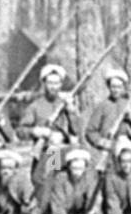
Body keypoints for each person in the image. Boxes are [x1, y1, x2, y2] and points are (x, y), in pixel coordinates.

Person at [20, 63, 84, 206]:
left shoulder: (65, 104)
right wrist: (39, 132)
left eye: (57, 83)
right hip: (47, 153)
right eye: (50, 83)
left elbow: (77, 130)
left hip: (66, 152)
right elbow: (21, 131)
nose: (53, 87)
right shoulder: (35, 106)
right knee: (47, 183)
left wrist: (71, 110)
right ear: (44, 83)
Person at [45, 146, 101, 214]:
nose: (77, 172)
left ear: (85, 168)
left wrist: (92, 209)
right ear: (69, 167)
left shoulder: (89, 177)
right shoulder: (60, 179)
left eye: (80, 168)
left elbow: (94, 197)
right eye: (74, 168)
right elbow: (58, 207)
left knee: (97, 213)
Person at [84, 69, 131, 154]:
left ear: (123, 87)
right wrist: (102, 142)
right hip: (109, 148)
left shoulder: (130, 105)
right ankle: (58, 166)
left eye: (119, 87)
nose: (116, 90)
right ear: (109, 87)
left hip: (129, 146)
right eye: (113, 86)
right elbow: (90, 131)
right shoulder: (102, 106)